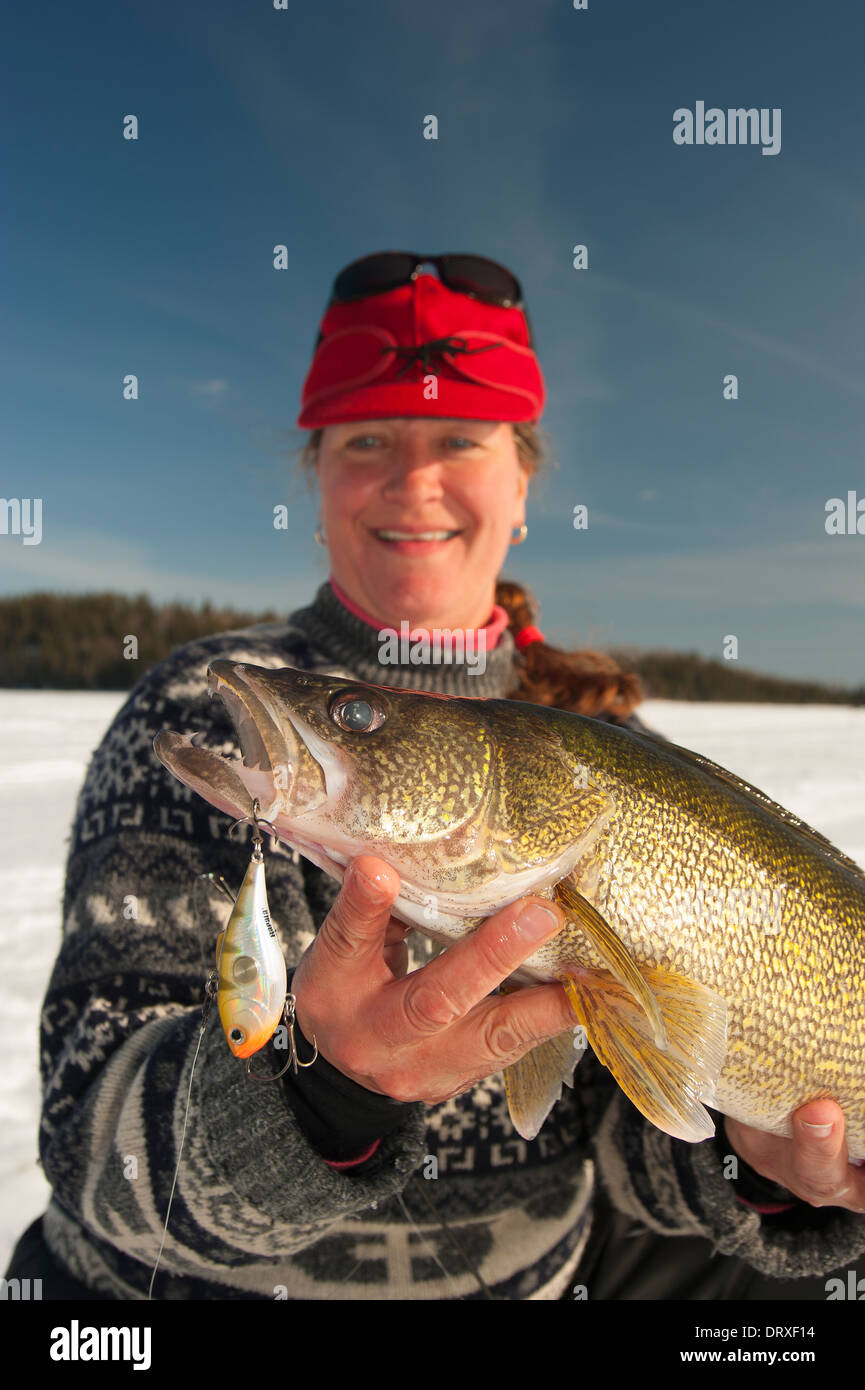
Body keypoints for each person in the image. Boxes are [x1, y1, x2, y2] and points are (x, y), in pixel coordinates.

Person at [6, 251, 864, 1301]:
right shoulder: (198, 714)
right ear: (315, 478)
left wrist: (765, 1165)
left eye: (458, 439)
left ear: (521, 484)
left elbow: (646, 1156)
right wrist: (317, 1096)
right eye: (366, 440)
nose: (413, 483)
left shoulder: (608, 747)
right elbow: (92, 1151)